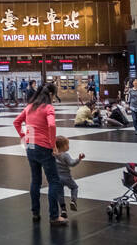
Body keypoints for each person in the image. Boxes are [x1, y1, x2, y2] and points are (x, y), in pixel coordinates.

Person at [14, 82, 65, 224]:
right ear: (50, 94)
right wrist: (52, 144)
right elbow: (52, 125)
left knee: (35, 180)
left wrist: (23, 137)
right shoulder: (48, 108)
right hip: (44, 148)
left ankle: (35, 213)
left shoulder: (29, 107)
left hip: (30, 147)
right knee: (54, 181)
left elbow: (16, 122)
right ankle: (54, 216)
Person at [53, 136, 87, 213]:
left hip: (57, 178)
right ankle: (73, 201)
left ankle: (63, 209)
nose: (68, 146)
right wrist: (79, 159)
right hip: (67, 177)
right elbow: (72, 163)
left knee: (60, 192)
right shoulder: (65, 155)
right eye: (67, 144)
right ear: (63, 146)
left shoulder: (54, 155)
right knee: (74, 187)